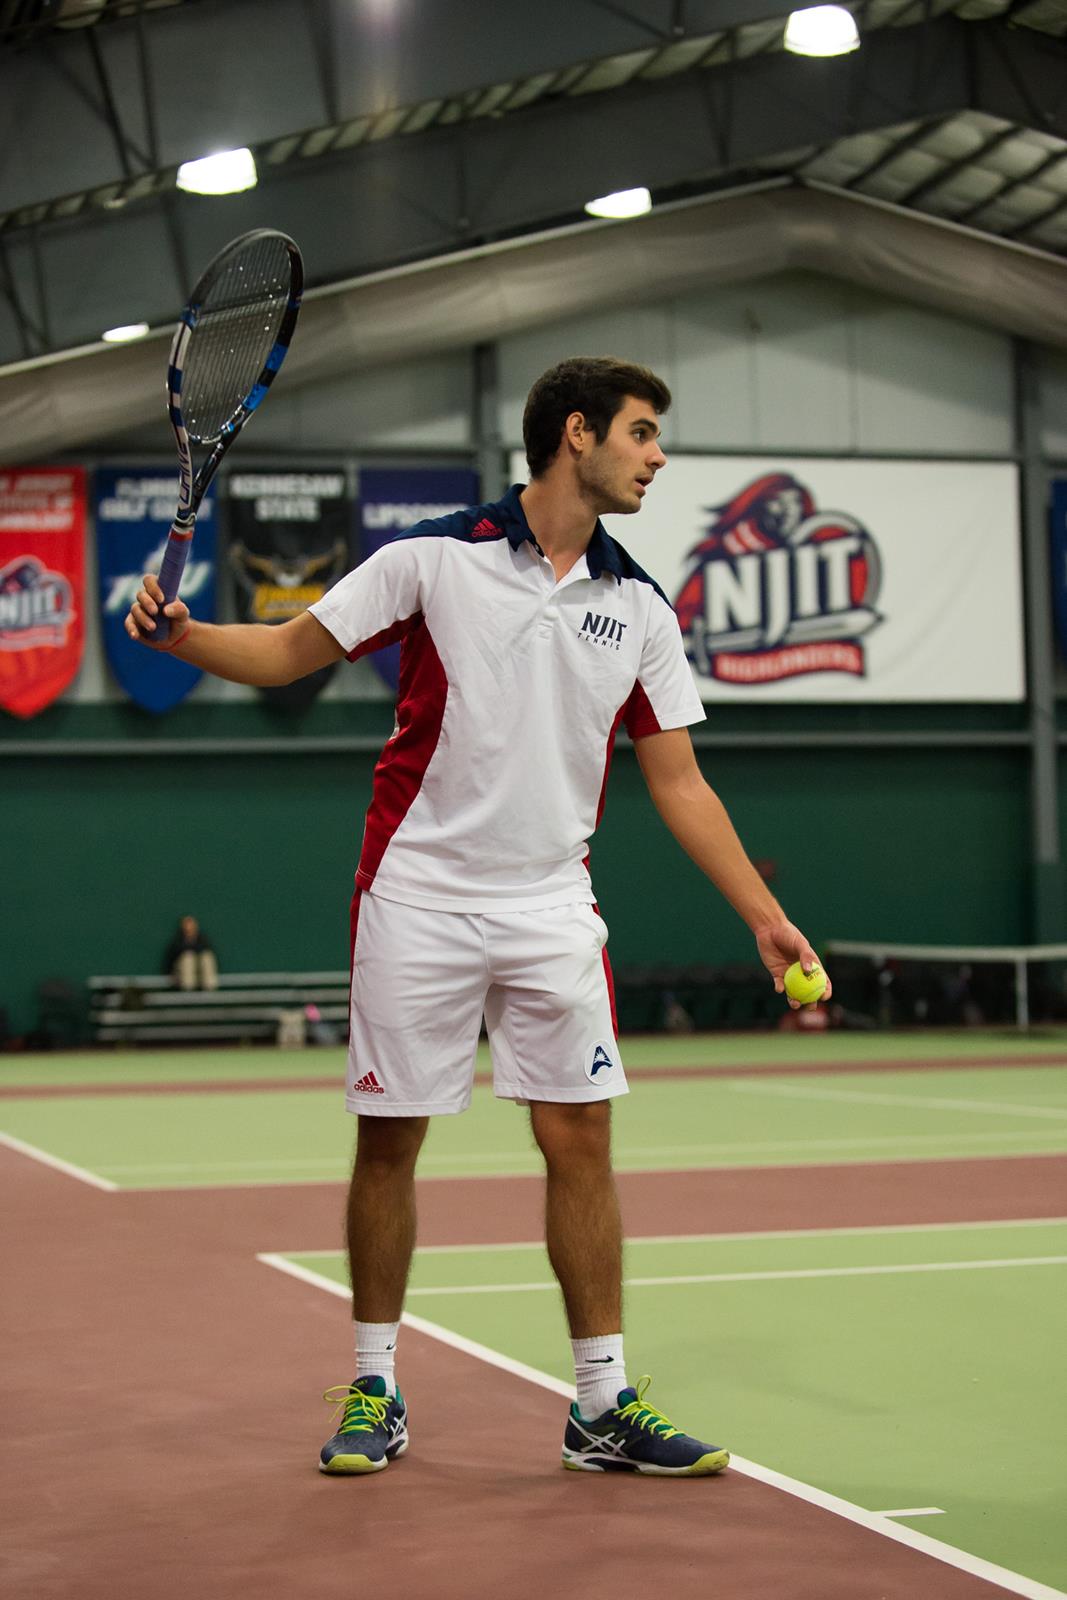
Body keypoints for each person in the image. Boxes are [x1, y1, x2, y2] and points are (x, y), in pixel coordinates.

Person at [127, 356, 831, 1479]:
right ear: (573, 434)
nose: (657, 455)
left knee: (580, 1138)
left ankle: (599, 1406)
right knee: (390, 1140)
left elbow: (678, 779)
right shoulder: (428, 560)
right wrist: (183, 637)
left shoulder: (640, 606)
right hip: (417, 894)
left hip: (553, 903)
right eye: (641, 433)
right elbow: (289, 649)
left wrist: (764, 914)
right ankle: (373, 1384)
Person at [163, 914, 218, 992]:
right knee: (188, 958)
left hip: (199, 970)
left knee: (206, 957)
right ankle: (188, 991)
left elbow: (204, 950)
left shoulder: (202, 939)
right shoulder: (177, 941)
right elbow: (171, 959)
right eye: (186, 925)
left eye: (191, 925)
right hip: (182, 973)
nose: (189, 928)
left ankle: (210, 989)